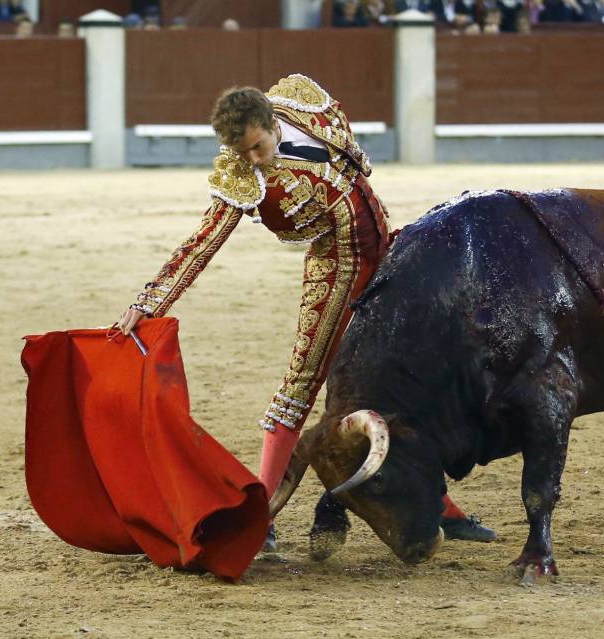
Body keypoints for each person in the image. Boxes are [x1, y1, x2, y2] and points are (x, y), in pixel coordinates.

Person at [117, 74, 497, 548]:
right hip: (334, 273)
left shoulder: (304, 104)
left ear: (274, 124)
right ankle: (263, 514)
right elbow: (201, 246)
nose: (255, 160)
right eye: (244, 154)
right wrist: (148, 302)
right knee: (301, 384)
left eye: (258, 147)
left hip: (390, 257)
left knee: (412, 380)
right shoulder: (243, 176)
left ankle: (441, 508)